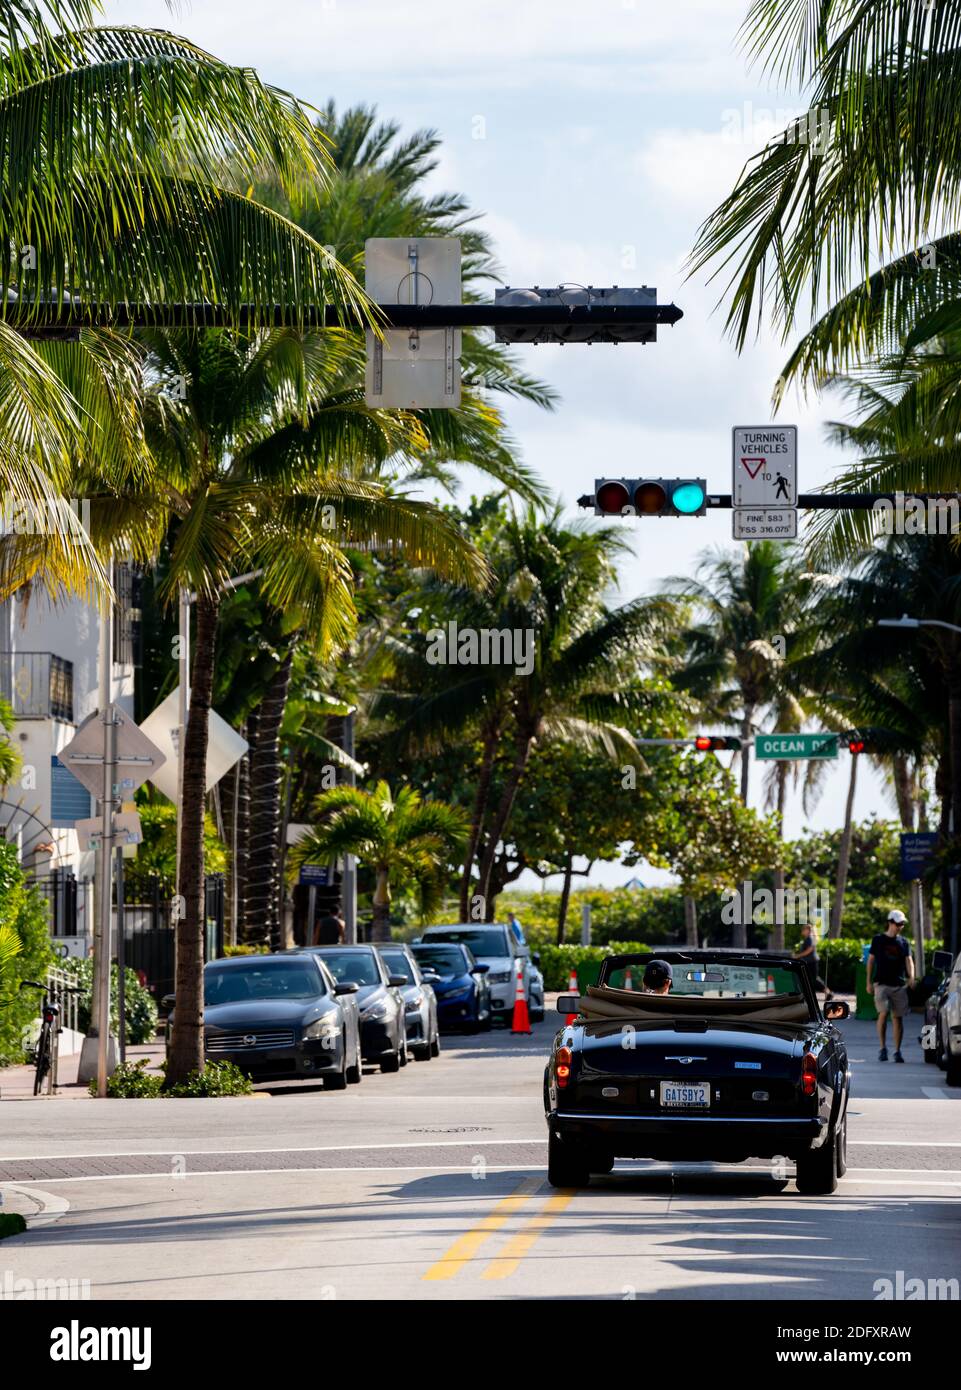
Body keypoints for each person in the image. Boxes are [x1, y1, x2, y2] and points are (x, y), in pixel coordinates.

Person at [867, 909, 915, 1062]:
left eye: (902, 924)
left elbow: (909, 960)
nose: (900, 926)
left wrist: (912, 977)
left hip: (898, 984)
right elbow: (871, 960)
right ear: (890, 922)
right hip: (881, 983)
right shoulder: (878, 939)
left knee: (898, 1018)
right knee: (883, 1012)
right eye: (897, 923)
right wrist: (868, 981)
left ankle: (897, 1051)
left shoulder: (904, 942)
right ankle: (882, 1048)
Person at [793, 922, 829, 996]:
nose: (802, 931)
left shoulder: (810, 938)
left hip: (812, 961)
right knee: (810, 979)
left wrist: (798, 956)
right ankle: (822, 993)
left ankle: (827, 992)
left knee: (814, 979)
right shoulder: (807, 938)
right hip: (809, 961)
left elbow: (810, 949)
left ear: (808, 930)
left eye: (804, 929)